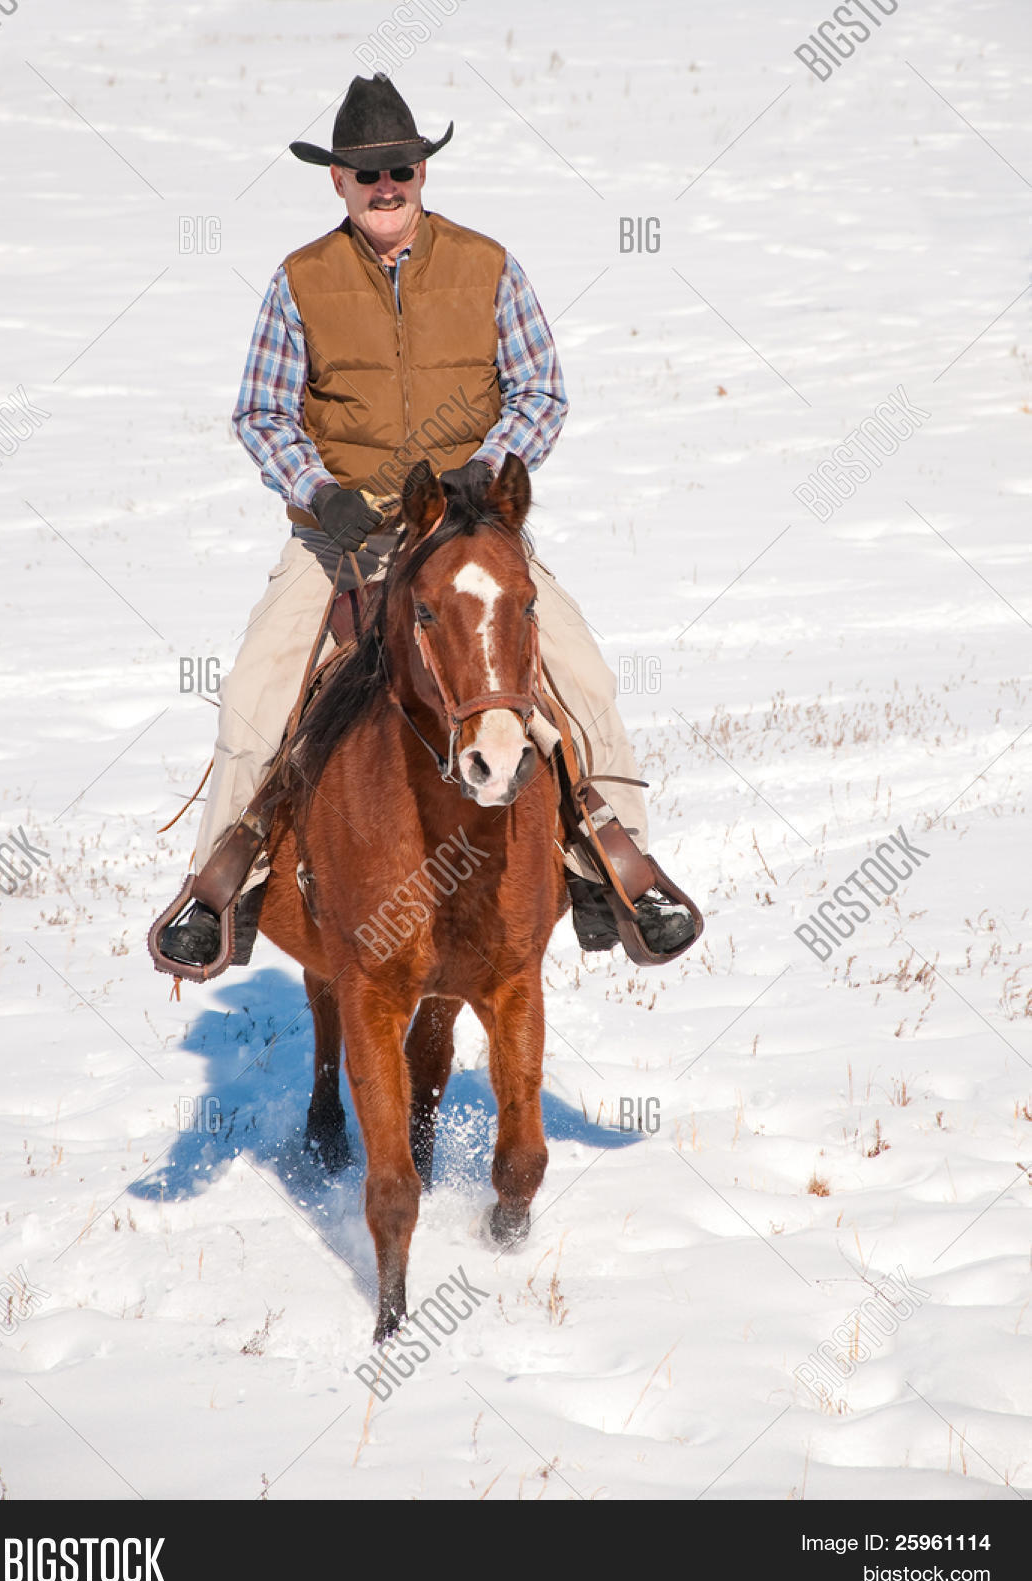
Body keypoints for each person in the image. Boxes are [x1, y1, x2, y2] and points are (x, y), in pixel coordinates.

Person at [160, 73, 693, 968]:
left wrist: (479, 476)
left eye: (400, 169)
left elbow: (539, 392)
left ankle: (616, 874)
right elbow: (261, 412)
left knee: (583, 679)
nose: (386, 187)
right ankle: (223, 891)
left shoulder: (488, 265)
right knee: (255, 694)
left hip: (468, 532)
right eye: (366, 173)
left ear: (422, 173)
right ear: (337, 180)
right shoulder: (299, 280)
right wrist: (319, 492)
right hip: (342, 537)